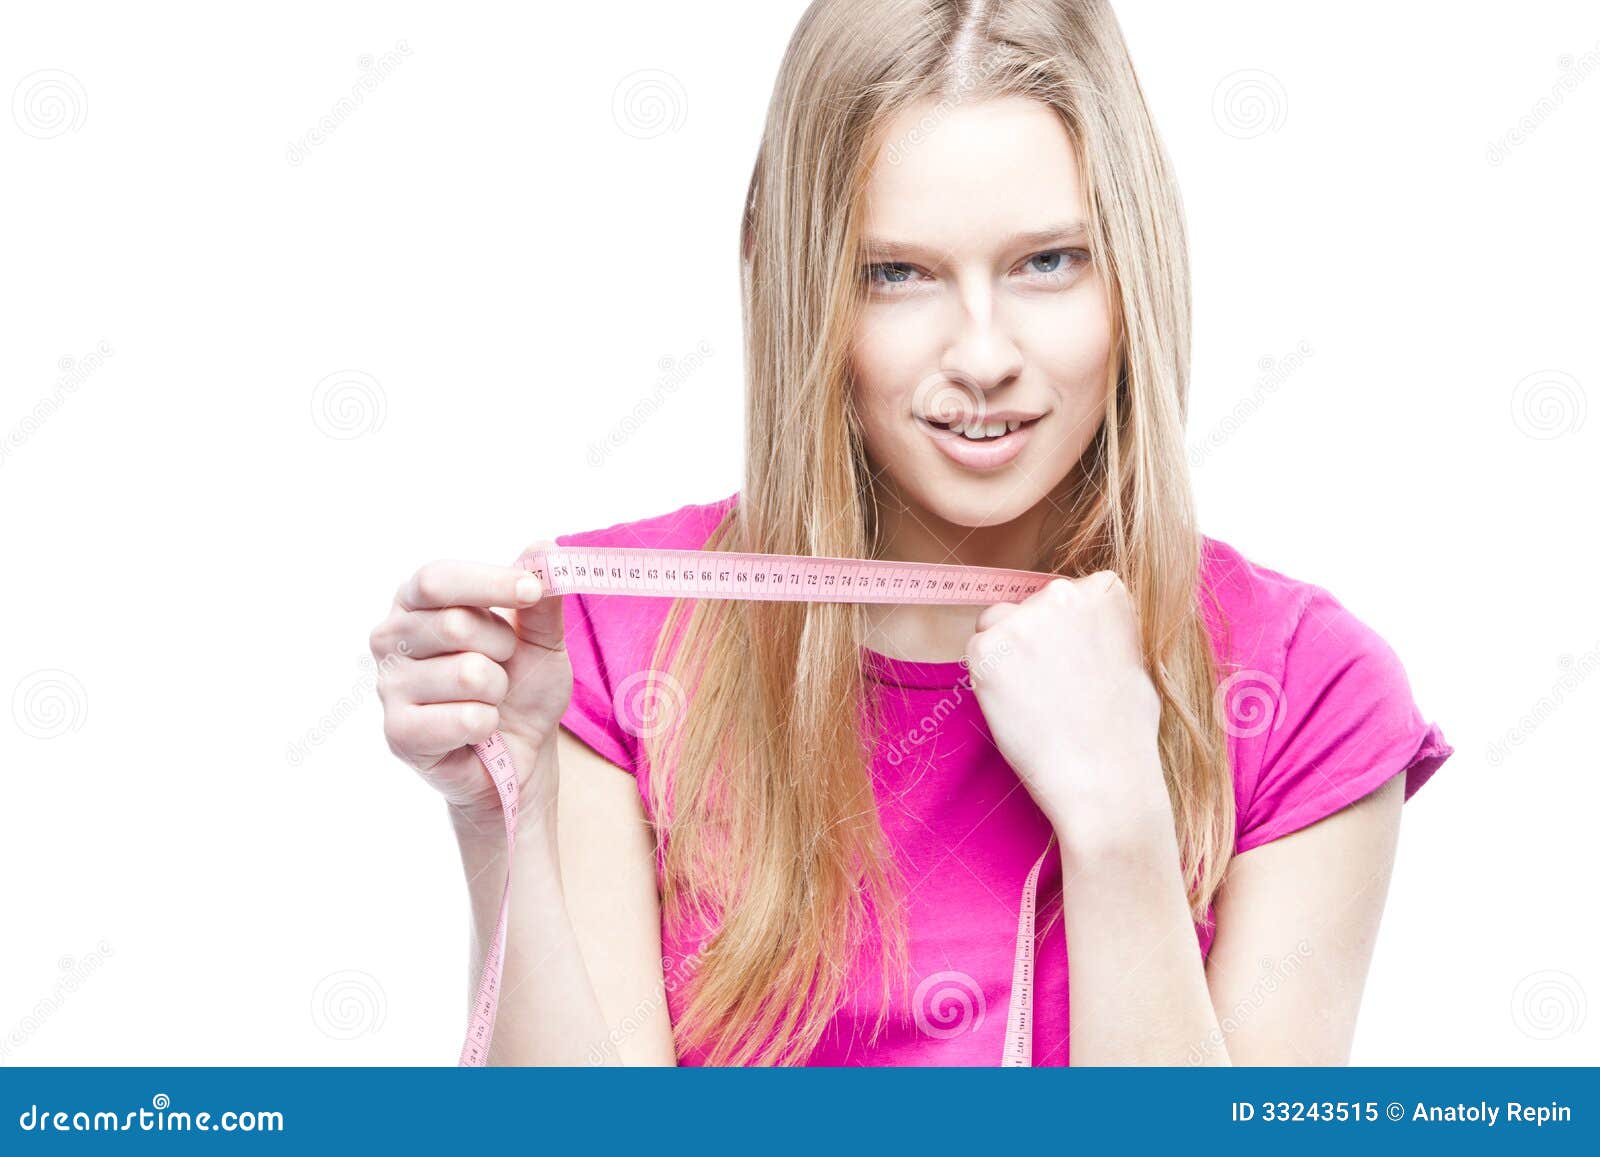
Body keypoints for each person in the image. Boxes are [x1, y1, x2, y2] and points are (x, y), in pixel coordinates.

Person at [368, 0, 1452, 1066]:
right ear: (800, 286)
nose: (983, 355)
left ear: (1135, 263)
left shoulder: (1307, 690)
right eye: (895, 273)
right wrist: (499, 810)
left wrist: (1118, 821)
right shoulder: (606, 642)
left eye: (1048, 261)